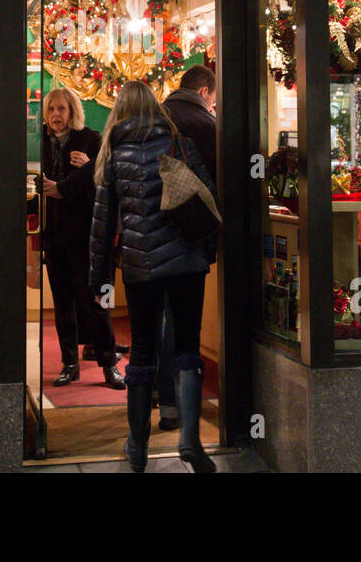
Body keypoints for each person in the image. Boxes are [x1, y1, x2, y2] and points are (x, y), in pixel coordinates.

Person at [89, 80, 218, 473]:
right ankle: (190, 441)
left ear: (120, 110)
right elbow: (207, 200)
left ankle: (138, 445)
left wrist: (99, 278)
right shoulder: (179, 144)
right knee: (187, 347)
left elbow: (102, 223)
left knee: (143, 351)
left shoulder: (113, 155)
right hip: (186, 264)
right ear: (155, 107)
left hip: (140, 266)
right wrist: (207, 253)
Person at [39, 88, 125, 390]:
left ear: (72, 111)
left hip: (85, 236)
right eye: (51, 110)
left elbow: (105, 180)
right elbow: (42, 187)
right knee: (62, 304)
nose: (55, 116)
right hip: (54, 236)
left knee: (96, 303)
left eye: (61, 109)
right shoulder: (43, 143)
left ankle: (108, 365)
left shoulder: (90, 139)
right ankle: (69, 364)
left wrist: (86, 167)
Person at [157, 65, 218, 431]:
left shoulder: (153, 119)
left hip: (152, 237)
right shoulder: (207, 126)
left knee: (158, 320)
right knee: (183, 325)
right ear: (205, 90)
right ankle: (177, 405)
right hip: (190, 236)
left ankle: (160, 397)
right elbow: (215, 184)